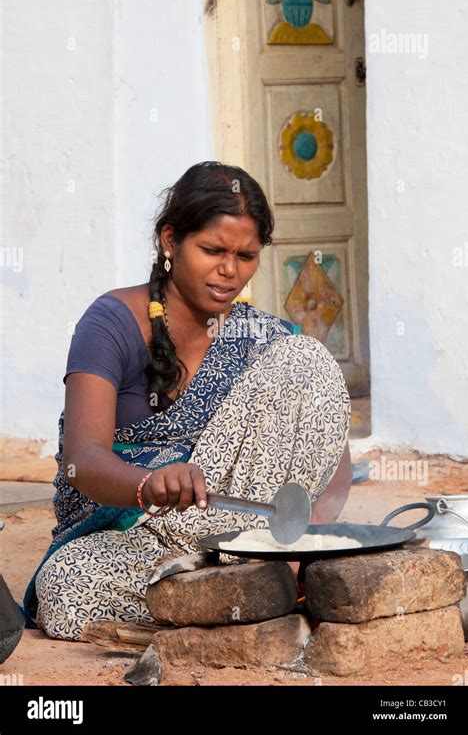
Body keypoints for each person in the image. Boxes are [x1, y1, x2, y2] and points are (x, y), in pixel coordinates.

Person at [22, 161, 352, 641]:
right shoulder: (111, 322)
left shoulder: (260, 337)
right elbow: (83, 459)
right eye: (212, 250)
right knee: (68, 588)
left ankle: (252, 580)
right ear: (170, 240)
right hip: (138, 537)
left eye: (246, 256)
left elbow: (332, 454)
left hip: (245, 539)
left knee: (305, 358)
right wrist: (150, 484)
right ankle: (243, 597)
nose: (229, 270)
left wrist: (300, 542)